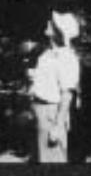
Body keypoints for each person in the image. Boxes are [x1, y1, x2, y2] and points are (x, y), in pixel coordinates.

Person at [28, 10, 80, 163]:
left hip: (52, 114)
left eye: (53, 23)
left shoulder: (66, 57)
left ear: (58, 32)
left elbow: (67, 94)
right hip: (39, 113)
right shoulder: (49, 53)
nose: (48, 23)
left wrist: (58, 126)